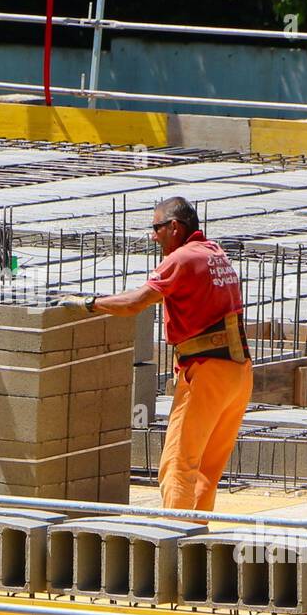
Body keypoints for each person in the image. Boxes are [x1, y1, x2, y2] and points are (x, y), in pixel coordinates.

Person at [59, 196, 251, 510]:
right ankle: (197, 543)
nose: (153, 235)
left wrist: (89, 303)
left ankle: (174, 548)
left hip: (208, 371)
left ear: (174, 227)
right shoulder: (215, 252)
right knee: (205, 470)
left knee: (177, 464)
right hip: (238, 372)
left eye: (156, 227)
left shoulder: (182, 258)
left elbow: (136, 302)